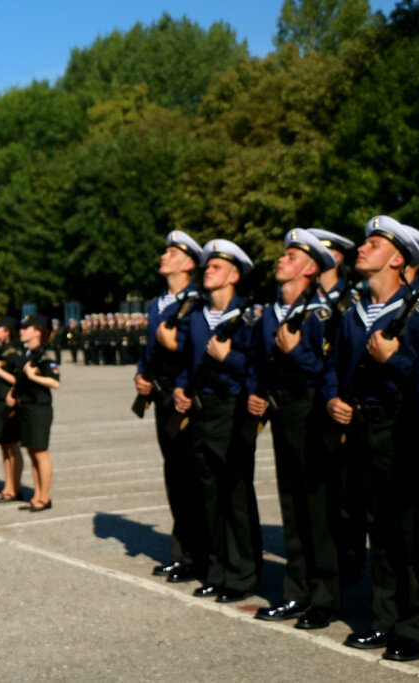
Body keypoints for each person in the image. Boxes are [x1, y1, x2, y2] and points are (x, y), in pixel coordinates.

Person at [323, 216, 419, 661]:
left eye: (373, 244)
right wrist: (332, 400)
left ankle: (414, 626)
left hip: (403, 430)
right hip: (361, 430)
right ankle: (384, 620)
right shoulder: (352, 311)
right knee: (378, 530)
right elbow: (333, 368)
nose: (362, 248)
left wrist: (397, 359)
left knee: (408, 532)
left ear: (398, 258)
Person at [246, 230, 339, 628]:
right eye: (283, 254)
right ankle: (295, 591)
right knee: (292, 505)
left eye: (291, 256)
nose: (282, 260)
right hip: (284, 414)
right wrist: (259, 396)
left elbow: (330, 372)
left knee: (318, 509)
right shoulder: (270, 314)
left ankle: (325, 597)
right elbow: (257, 363)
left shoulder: (323, 314)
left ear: (310, 268)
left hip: (313, 416)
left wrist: (294, 351)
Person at [173, 239, 261, 604]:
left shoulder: (250, 315)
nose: (207, 270)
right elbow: (187, 363)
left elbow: (258, 365)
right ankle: (216, 569)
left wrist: (229, 359)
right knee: (208, 494)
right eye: (207, 266)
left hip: (234, 408)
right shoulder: (195, 317)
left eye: (216, 267)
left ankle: (242, 574)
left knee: (235, 495)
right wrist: (180, 389)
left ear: (234, 275)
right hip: (201, 410)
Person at [138, 230, 202, 583]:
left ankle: (195, 555)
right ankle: (180, 552)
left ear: (189, 263)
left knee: (190, 476)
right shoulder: (157, 303)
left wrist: (174, 344)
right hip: (161, 397)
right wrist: (140, 376)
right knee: (174, 476)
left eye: (173, 253)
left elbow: (195, 348)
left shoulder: (195, 301)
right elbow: (148, 350)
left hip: (184, 398)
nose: (165, 257)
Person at [11, 314, 61, 512]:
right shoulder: (30, 353)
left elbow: (56, 382)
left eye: (26, 327)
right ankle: (37, 494)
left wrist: (33, 376)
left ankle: (45, 497)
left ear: (38, 331)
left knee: (40, 452)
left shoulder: (45, 355)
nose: (22, 331)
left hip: (40, 408)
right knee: (32, 452)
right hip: (27, 407)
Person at [0, 315, 25, 502]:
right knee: (4, 447)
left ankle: (14, 487)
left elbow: (19, 381)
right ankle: (8, 485)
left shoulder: (13, 354)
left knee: (12, 447)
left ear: (7, 331)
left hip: (8, 403)